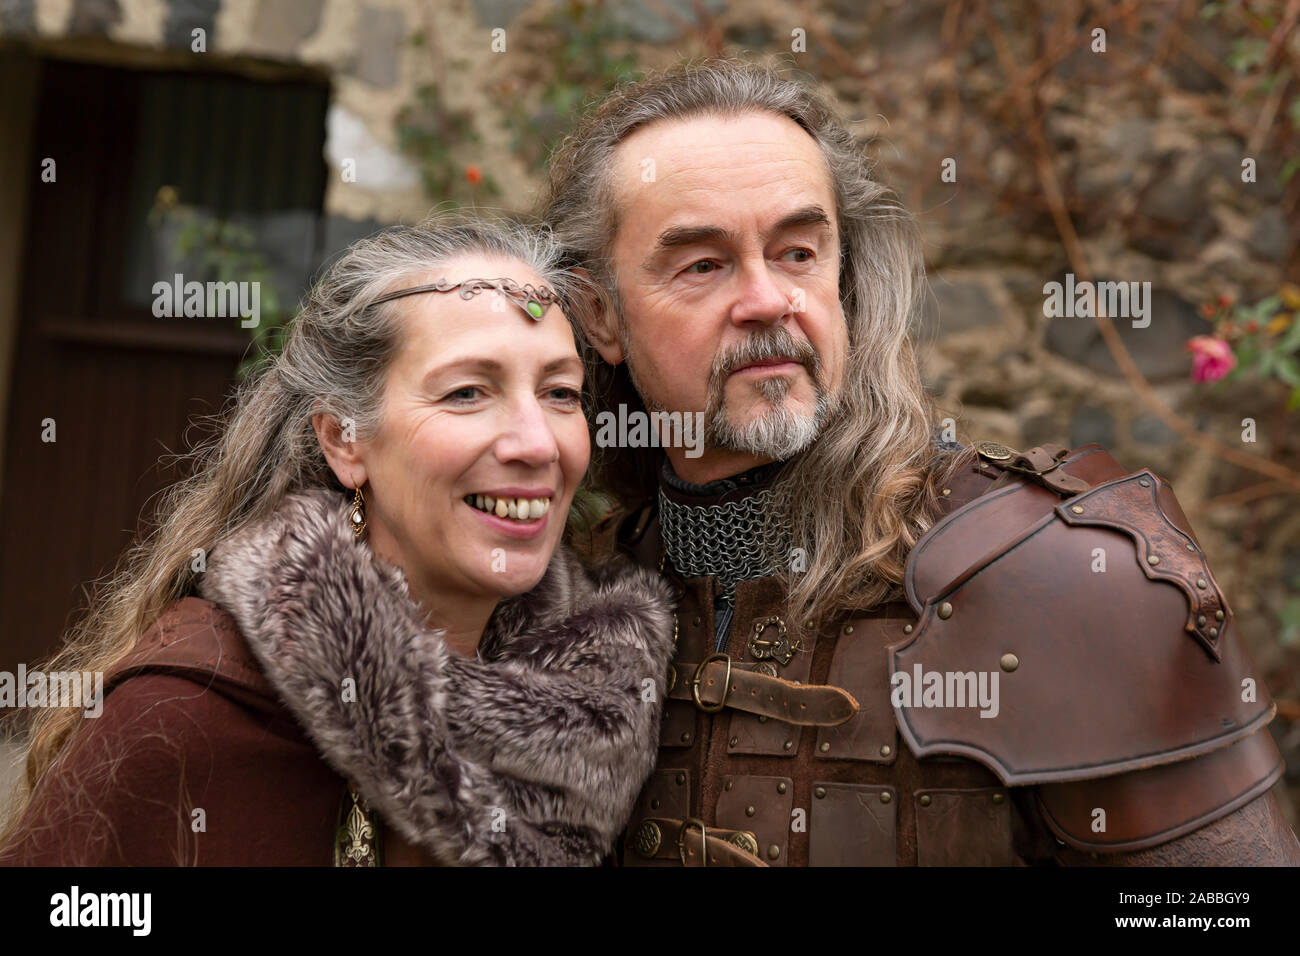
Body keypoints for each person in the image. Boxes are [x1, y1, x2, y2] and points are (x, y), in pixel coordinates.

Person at [540, 58, 1300, 866]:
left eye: (798, 252)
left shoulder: (1072, 569)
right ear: (599, 313)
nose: (769, 299)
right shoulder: (570, 601)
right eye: (703, 264)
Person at [0, 215, 675, 866]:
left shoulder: (612, 717)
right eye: (468, 393)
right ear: (345, 440)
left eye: (560, 394)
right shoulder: (181, 725)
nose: (536, 444)